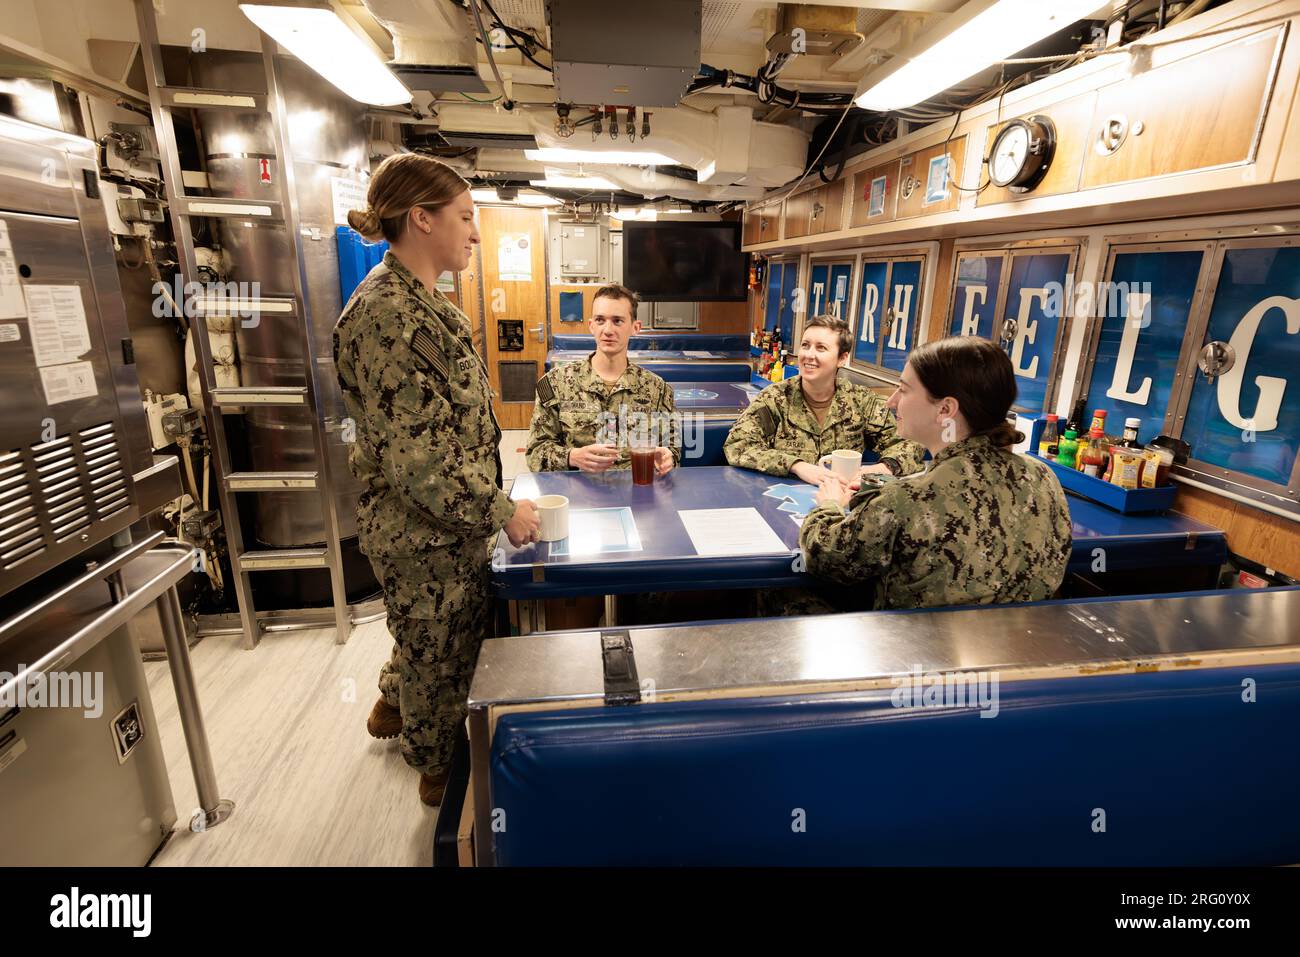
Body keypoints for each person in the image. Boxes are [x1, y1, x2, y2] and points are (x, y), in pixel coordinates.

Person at [334, 154, 540, 807]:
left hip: (432, 525)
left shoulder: (415, 300)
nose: (475, 233)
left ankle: (393, 705)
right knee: (441, 650)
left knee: (423, 630)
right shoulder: (395, 316)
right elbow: (421, 463)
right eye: (464, 217)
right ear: (421, 219)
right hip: (425, 531)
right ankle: (437, 768)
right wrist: (504, 509)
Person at [798, 336, 1072, 611]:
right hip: (1027, 645)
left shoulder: (906, 500)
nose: (891, 402)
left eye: (904, 390)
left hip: (923, 649)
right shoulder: (1043, 477)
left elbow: (825, 557)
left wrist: (829, 506)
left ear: (945, 409)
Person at [724, 315, 926, 484]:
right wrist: (796, 465)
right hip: (782, 501)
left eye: (821, 348)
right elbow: (738, 444)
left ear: (842, 358)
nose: (809, 355)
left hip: (842, 506)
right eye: (805, 345)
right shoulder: (776, 398)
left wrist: (884, 467)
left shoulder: (862, 401)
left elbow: (910, 443)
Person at [526, 284, 680, 473]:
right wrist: (572, 457)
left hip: (637, 493)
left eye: (617, 321)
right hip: (577, 493)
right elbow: (535, 453)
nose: (608, 330)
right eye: (600, 320)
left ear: (635, 327)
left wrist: (668, 458)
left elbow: (672, 449)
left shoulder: (657, 389)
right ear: (591, 325)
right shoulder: (556, 383)